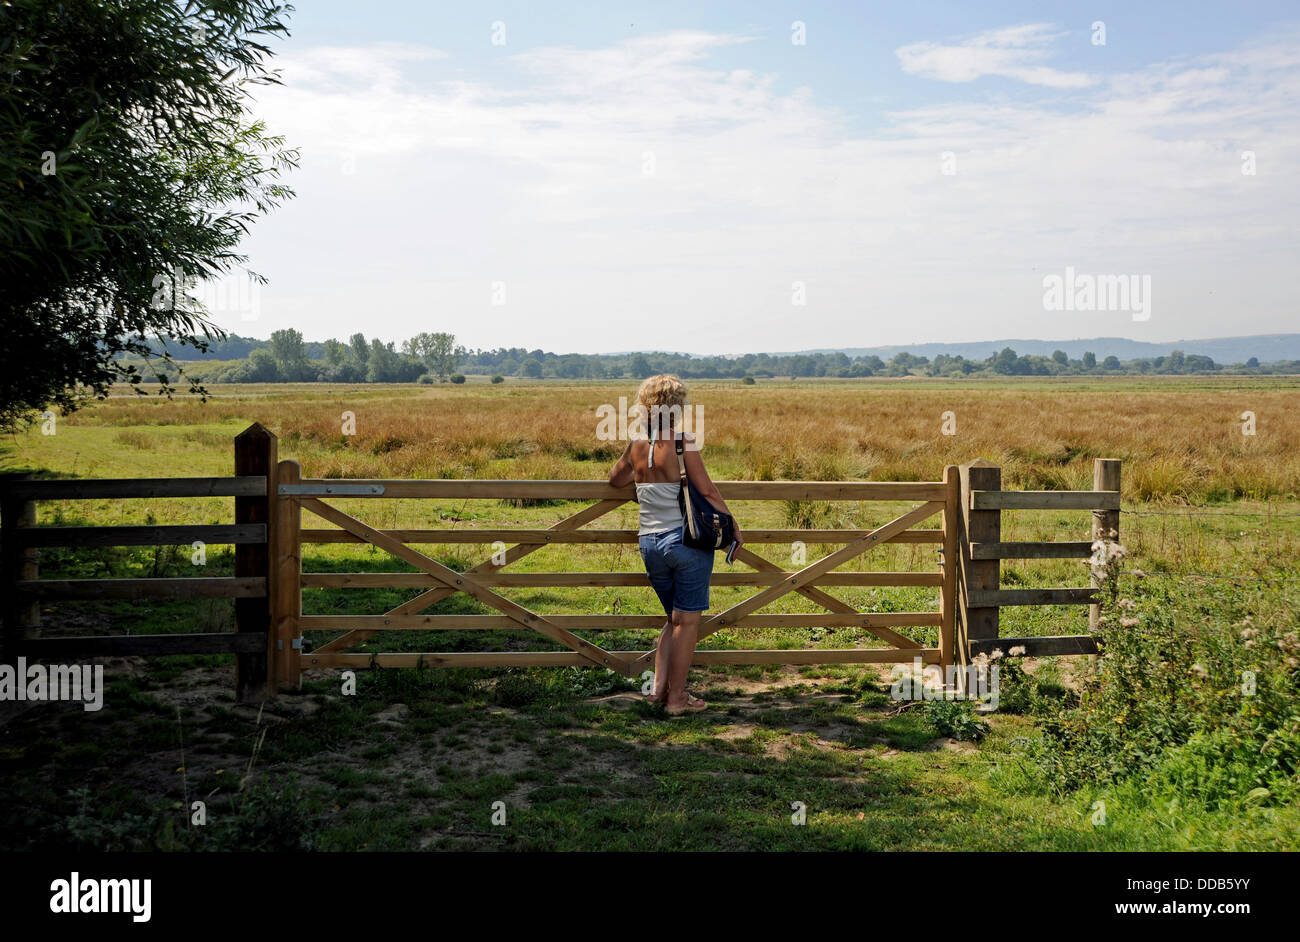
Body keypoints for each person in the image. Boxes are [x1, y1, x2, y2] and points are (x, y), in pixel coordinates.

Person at [607, 374, 743, 714]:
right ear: (676, 407)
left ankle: (658, 692)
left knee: (673, 619)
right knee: (686, 622)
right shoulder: (682, 443)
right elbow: (708, 491)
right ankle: (678, 700)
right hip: (684, 541)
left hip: (649, 544)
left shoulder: (637, 443)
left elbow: (615, 479)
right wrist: (733, 526)